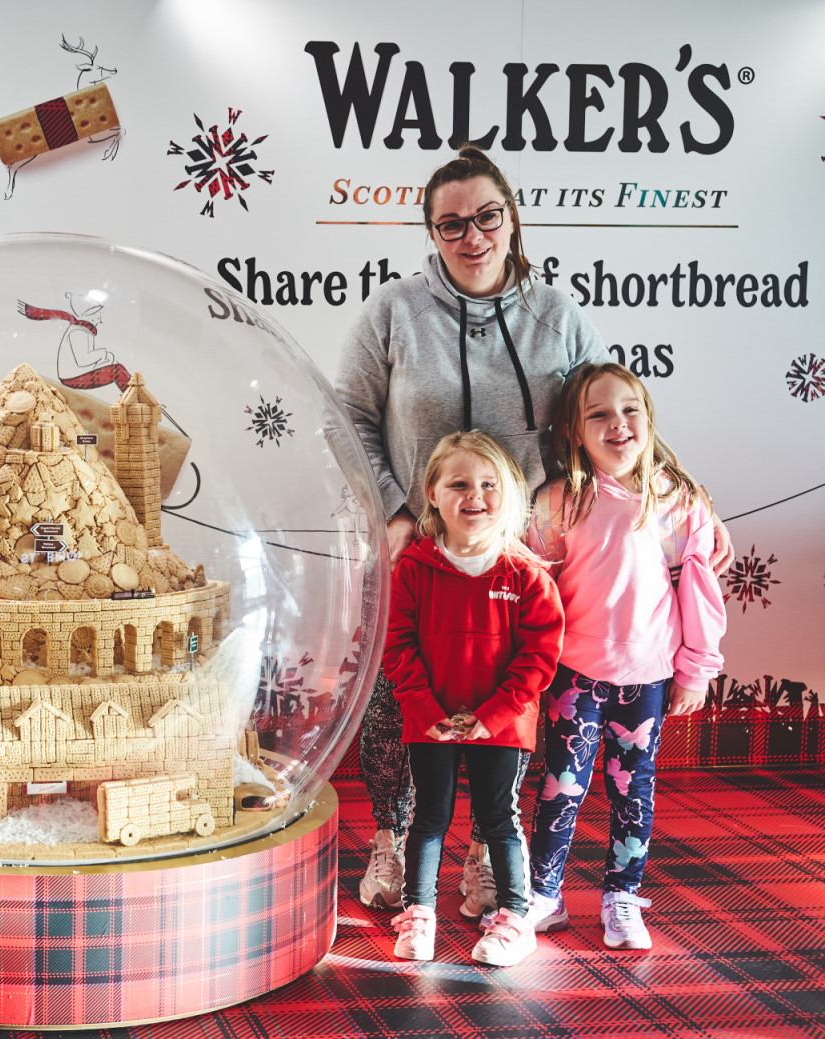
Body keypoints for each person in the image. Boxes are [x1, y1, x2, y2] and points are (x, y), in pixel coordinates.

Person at [331, 143, 733, 913]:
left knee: (505, 702)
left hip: (523, 555)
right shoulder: (392, 313)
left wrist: (689, 500)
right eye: (451, 225)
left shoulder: (558, 316)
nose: (472, 236)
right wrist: (393, 508)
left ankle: (486, 848)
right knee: (396, 698)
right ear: (432, 234)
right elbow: (347, 415)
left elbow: (609, 422)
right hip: (417, 542)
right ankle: (390, 837)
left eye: (487, 216)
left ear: (512, 219)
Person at [515, 362, 725, 949]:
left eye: (629, 410)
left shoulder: (675, 503)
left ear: (649, 419)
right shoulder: (557, 503)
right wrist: (530, 669)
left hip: (649, 677)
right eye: (598, 415)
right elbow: (538, 593)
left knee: (633, 789)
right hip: (575, 675)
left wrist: (697, 668)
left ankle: (622, 896)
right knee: (561, 785)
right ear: (573, 432)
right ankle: (544, 894)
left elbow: (698, 590)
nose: (617, 424)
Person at [383, 431, 563, 966]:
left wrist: (493, 716)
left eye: (488, 484)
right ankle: (419, 913)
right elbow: (398, 648)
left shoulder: (526, 573)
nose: (474, 495)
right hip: (430, 722)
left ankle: (513, 918)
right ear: (432, 494)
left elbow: (539, 656)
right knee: (429, 817)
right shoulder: (414, 568)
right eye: (458, 483)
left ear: (509, 494)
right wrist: (428, 711)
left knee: (497, 817)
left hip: (501, 727)